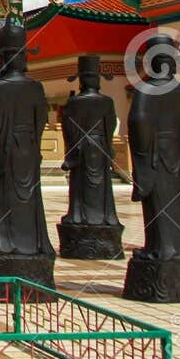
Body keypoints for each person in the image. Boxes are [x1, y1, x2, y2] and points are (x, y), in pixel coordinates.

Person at [124, 33, 180, 302]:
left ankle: (162, 247)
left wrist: (145, 153)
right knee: (177, 203)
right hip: (175, 155)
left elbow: (138, 122)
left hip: (154, 155)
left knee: (159, 205)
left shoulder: (146, 91)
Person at [0, 21, 55, 286]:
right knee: (29, 204)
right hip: (28, 153)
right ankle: (32, 246)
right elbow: (40, 122)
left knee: (3, 207)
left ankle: (4, 247)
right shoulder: (35, 89)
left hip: (6, 155)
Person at [58, 55, 123, 259]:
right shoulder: (106, 102)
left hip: (81, 147)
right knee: (101, 188)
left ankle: (79, 216)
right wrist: (109, 146)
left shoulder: (74, 102)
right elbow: (110, 124)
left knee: (80, 188)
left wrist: (70, 151)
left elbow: (68, 127)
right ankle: (104, 218)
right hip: (100, 146)